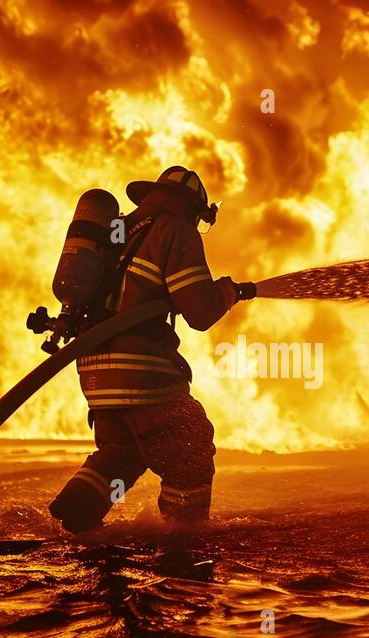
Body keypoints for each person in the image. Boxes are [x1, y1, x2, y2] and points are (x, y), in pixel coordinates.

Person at [48, 166, 254, 533]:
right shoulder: (174, 230)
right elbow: (199, 310)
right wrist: (229, 292)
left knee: (123, 452)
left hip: (95, 372)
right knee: (188, 446)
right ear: (190, 207)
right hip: (141, 369)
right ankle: (183, 537)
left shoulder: (117, 231)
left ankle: (78, 512)